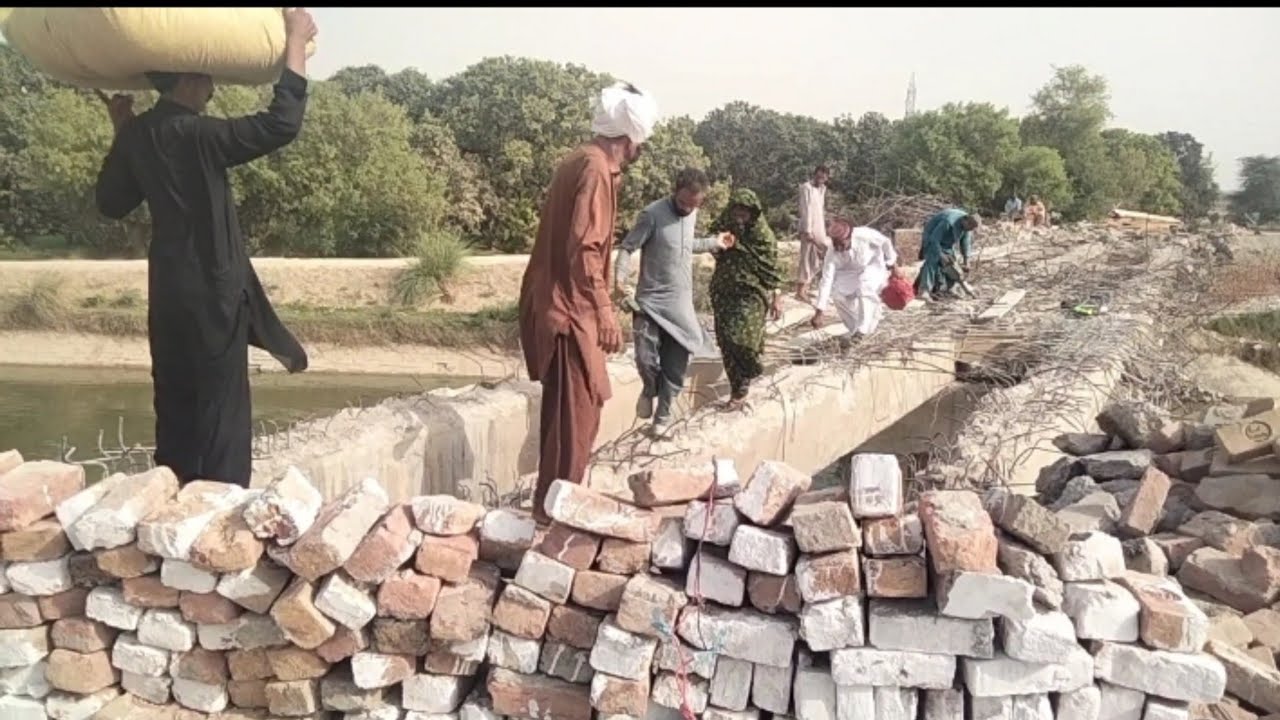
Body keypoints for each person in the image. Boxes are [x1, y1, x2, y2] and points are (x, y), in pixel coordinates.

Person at [92, 8, 318, 487]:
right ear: (191, 78)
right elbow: (282, 124)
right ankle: (219, 508)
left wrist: (121, 132)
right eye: (207, 76)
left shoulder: (140, 134)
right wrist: (295, 41)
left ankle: (170, 498)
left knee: (174, 399)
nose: (212, 84)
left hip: (168, 291)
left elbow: (112, 202)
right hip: (213, 291)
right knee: (221, 408)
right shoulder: (198, 133)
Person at [519, 81, 658, 523]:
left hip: (563, 307)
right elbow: (584, 247)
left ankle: (556, 506)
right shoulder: (596, 168)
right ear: (628, 139)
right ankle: (554, 516)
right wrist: (604, 311)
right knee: (572, 421)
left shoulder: (580, 161)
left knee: (578, 411)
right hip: (569, 311)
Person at [614, 168, 735, 436]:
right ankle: (649, 388)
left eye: (694, 205)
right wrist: (620, 283)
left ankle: (663, 418)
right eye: (683, 203)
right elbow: (627, 247)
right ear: (674, 190)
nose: (687, 209)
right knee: (645, 359)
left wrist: (714, 242)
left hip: (680, 304)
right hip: (649, 302)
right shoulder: (651, 215)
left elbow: (682, 244)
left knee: (675, 366)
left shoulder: (692, 213)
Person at [709, 189, 784, 410]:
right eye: (737, 209)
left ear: (754, 213)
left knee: (742, 339)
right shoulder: (724, 227)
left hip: (751, 294)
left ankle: (752, 366)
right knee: (726, 342)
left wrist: (777, 296)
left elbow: (771, 268)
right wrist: (720, 244)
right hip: (723, 293)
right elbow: (709, 242)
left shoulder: (763, 237)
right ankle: (738, 391)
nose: (740, 215)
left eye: (745, 211)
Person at [810, 219, 899, 341]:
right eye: (836, 244)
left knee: (865, 286)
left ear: (850, 237)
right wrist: (819, 312)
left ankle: (863, 329)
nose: (839, 247)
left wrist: (893, 264)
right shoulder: (832, 253)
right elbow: (826, 280)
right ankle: (856, 330)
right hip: (849, 274)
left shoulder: (865, 235)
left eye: (842, 244)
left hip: (872, 266)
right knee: (837, 294)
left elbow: (885, 242)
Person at [915, 208, 981, 301]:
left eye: (971, 229)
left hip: (947, 242)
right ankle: (924, 291)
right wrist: (941, 255)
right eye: (969, 227)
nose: (969, 230)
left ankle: (949, 288)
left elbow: (966, 243)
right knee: (933, 260)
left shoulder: (967, 227)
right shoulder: (948, 221)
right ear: (965, 220)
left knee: (952, 265)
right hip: (932, 238)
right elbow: (934, 240)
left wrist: (967, 261)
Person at [795, 165, 831, 301]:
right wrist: (807, 230)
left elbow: (819, 209)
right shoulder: (806, 188)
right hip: (808, 226)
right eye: (819, 175)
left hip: (819, 224)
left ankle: (807, 286)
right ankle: (800, 290)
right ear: (815, 174)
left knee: (820, 254)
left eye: (824, 177)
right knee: (806, 257)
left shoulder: (822, 189)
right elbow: (806, 209)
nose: (821, 179)